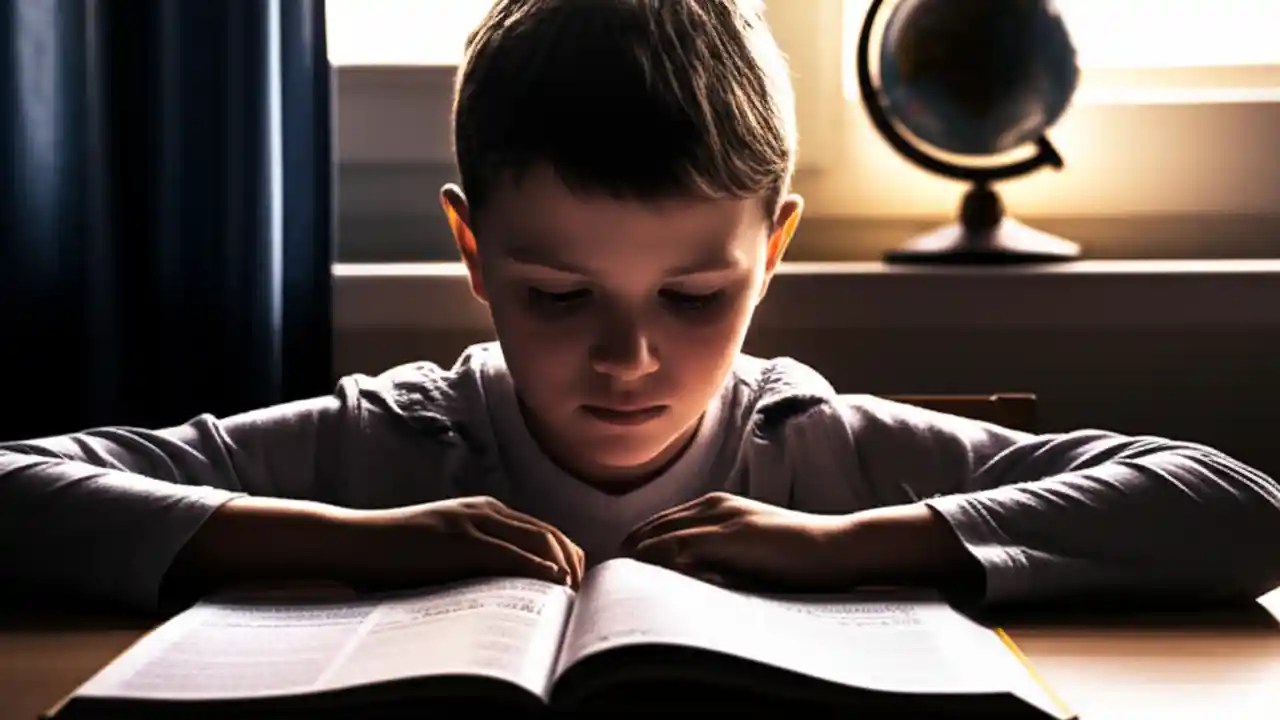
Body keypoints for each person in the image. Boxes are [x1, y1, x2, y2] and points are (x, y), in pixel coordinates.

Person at [2, 0, 1277, 616]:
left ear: (771, 253)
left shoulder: (813, 447)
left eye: (693, 292)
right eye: (557, 295)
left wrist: (845, 544)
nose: (628, 357)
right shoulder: (397, 441)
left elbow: (1238, 511)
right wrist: (360, 538)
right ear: (471, 250)